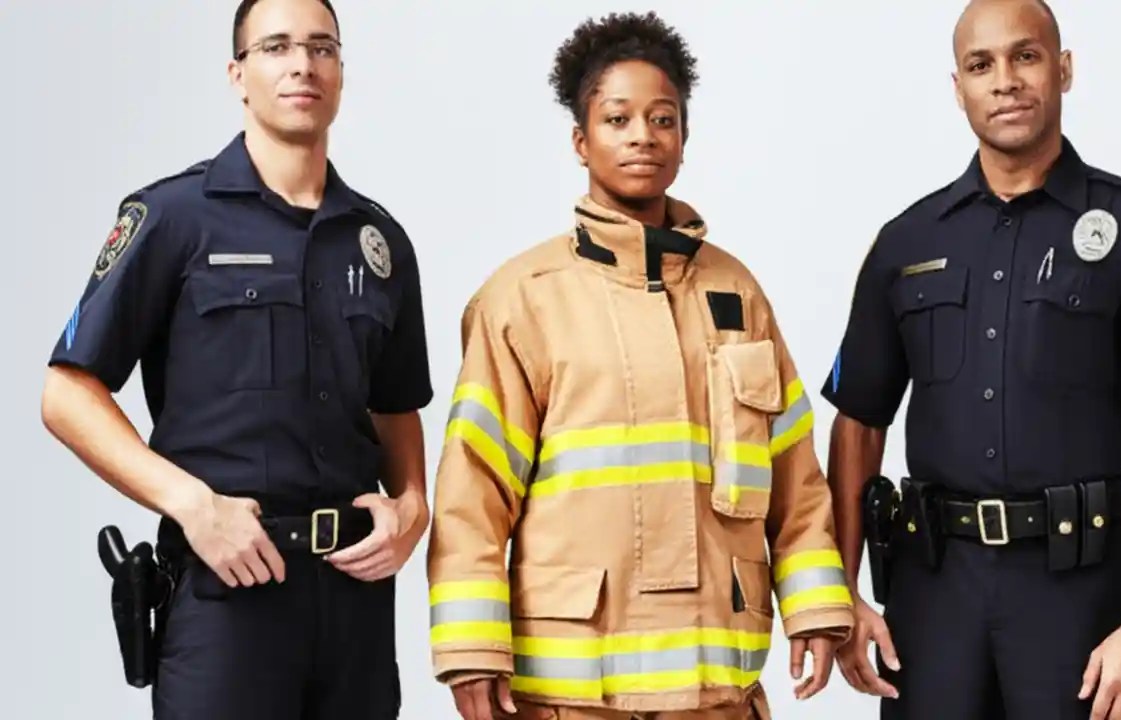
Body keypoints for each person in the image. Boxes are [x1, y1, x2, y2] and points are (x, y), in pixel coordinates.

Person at [820, 1, 1121, 719]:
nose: (1005, 81)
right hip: (932, 599)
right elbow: (858, 423)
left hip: (1079, 597)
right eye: (981, 65)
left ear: (1064, 69)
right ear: (957, 87)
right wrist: (840, 589)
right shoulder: (906, 241)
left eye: (1026, 56)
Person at [426, 12, 854, 720]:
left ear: (684, 139)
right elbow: (472, 491)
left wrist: (813, 606)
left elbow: (796, 477)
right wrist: (470, 651)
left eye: (663, 119)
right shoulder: (522, 299)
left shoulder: (736, 293)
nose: (643, 137)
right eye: (618, 118)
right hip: (572, 692)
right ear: (580, 139)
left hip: (716, 690)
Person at [40, 0, 433, 717]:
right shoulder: (174, 217)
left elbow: (394, 403)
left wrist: (412, 507)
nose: (302, 64)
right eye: (276, 47)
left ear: (340, 72)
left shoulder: (380, 242)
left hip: (357, 599)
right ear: (238, 74)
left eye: (322, 48)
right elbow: (66, 393)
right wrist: (191, 505)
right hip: (230, 590)